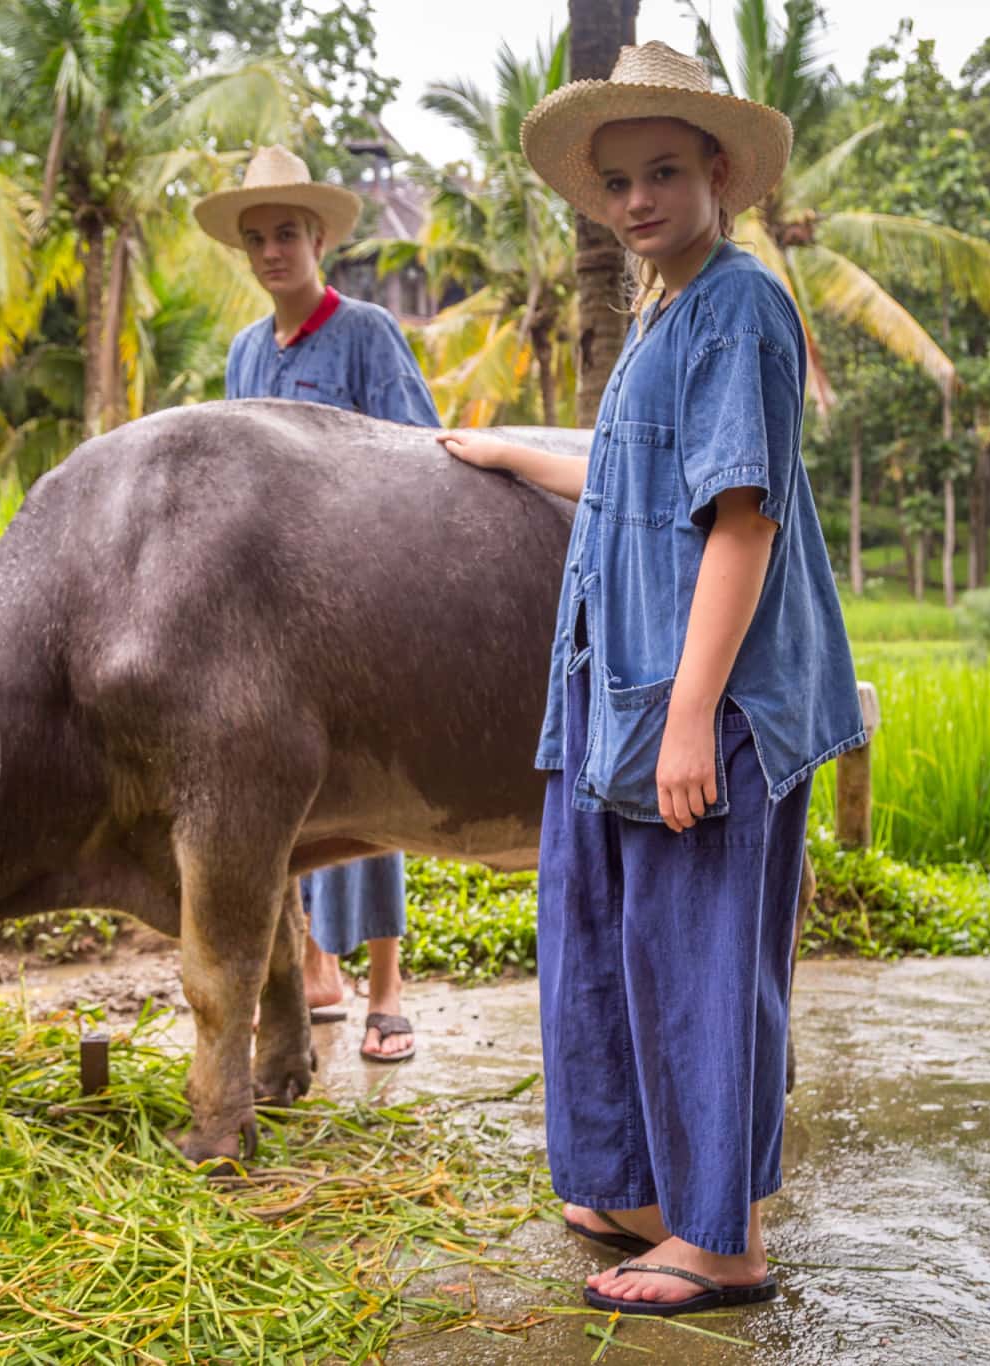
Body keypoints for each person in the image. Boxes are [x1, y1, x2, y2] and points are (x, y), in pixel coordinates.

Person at [438, 43, 863, 1315]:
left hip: (703, 703)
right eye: (616, 179)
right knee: (611, 945)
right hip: (614, 689)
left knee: (698, 961)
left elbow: (741, 521)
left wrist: (688, 718)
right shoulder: (663, 311)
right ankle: (642, 1192)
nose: (635, 199)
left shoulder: (735, 307)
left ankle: (719, 1240)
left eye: (663, 171)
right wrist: (515, 453)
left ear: (718, 173)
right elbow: (631, 485)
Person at [194, 144, 440, 1063]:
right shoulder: (245, 352)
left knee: (372, 804)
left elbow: (415, 449)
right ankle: (311, 974)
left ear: (320, 238)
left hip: (360, 603)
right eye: (255, 238)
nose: (271, 251)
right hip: (272, 622)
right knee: (285, 811)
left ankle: (387, 991)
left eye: (287, 233)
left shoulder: (368, 332)